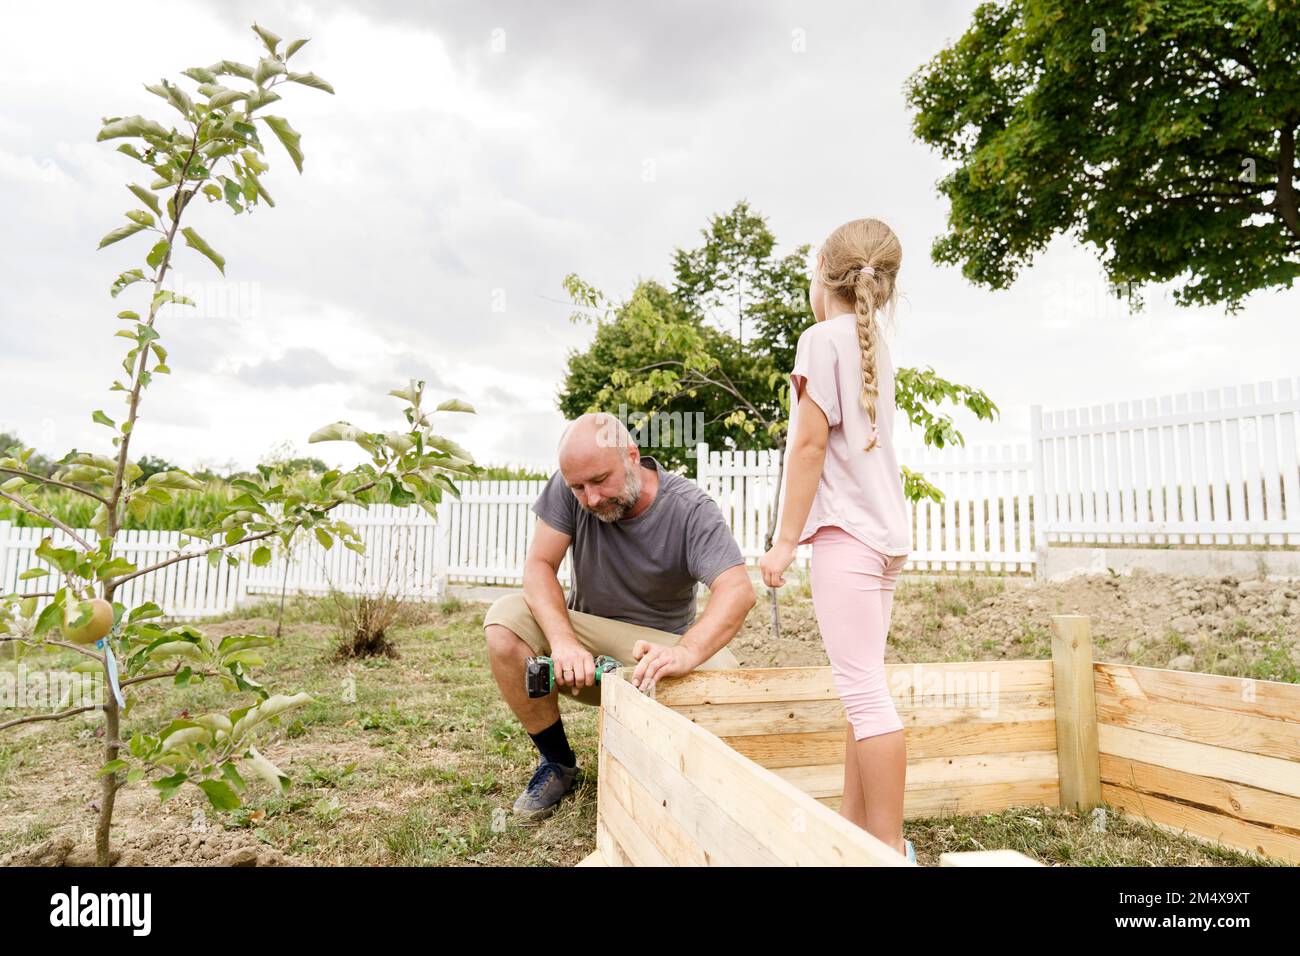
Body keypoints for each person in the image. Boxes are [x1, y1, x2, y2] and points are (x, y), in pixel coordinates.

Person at [483, 412, 756, 820]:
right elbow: (539, 566)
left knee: (724, 674)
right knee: (504, 621)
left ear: (633, 456)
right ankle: (557, 763)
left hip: (657, 656)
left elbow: (738, 590)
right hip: (586, 653)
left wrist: (685, 652)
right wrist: (563, 642)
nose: (590, 499)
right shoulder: (568, 486)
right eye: (578, 487)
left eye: (600, 481)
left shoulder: (690, 508)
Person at [758, 217, 916, 863]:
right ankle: (855, 837)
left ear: (821, 266)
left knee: (862, 692)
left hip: (846, 537)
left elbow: (810, 444)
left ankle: (886, 846)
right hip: (883, 537)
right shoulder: (873, 341)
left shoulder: (821, 339)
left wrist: (782, 541)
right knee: (864, 685)